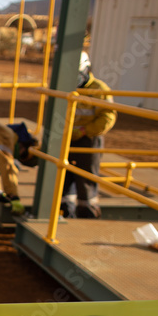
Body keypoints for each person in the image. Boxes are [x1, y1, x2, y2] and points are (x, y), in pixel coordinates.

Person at [61, 51, 117, 218]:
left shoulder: (99, 89)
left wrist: (85, 131)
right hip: (67, 139)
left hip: (88, 140)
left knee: (85, 179)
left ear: (85, 69)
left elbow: (108, 117)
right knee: (64, 176)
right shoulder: (66, 88)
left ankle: (88, 214)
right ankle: (64, 211)